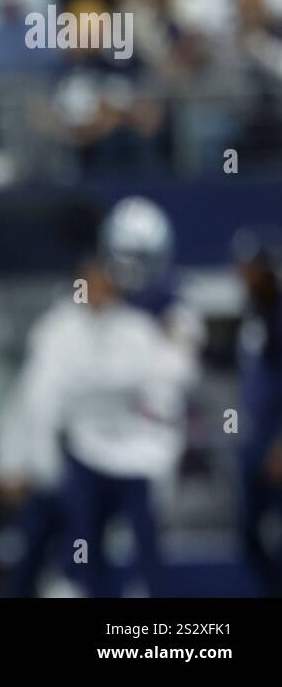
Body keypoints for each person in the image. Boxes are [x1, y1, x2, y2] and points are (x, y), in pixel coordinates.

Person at [20, 197, 202, 597]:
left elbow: (174, 377)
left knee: (146, 556)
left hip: (143, 448)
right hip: (88, 447)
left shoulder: (171, 311)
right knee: (82, 552)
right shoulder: (79, 309)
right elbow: (59, 381)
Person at [232, 228, 282, 595]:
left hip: (275, 434)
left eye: (251, 267)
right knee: (248, 533)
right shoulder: (253, 315)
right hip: (254, 434)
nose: (244, 275)